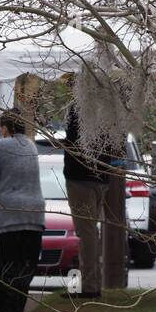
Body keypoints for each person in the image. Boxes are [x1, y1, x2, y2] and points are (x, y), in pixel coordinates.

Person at [0, 110, 46, 312]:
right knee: (25, 266)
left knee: (5, 267)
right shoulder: (30, 146)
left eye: (1, 127)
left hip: (9, 214)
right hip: (35, 214)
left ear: (6, 127)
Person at [62, 73, 107, 299]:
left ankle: (89, 286)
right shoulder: (107, 109)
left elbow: (73, 142)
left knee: (86, 233)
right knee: (90, 232)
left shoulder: (79, 110)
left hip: (81, 177)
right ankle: (87, 281)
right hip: (99, 177)